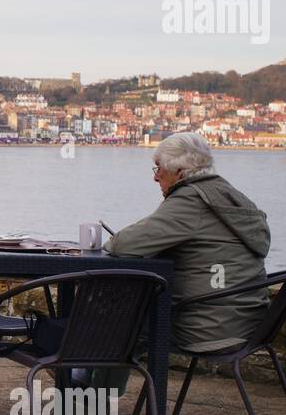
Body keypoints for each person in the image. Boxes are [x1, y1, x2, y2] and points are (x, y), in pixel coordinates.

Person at [108, 131, 271, 354]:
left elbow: (122, 245)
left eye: (159, 169)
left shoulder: (190, 200)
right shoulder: (231, 195)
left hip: (207, 331)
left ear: (180, 173)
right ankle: (86, 379)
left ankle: (83, 380)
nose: (155, 177)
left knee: (119, 321)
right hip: (249, 324)